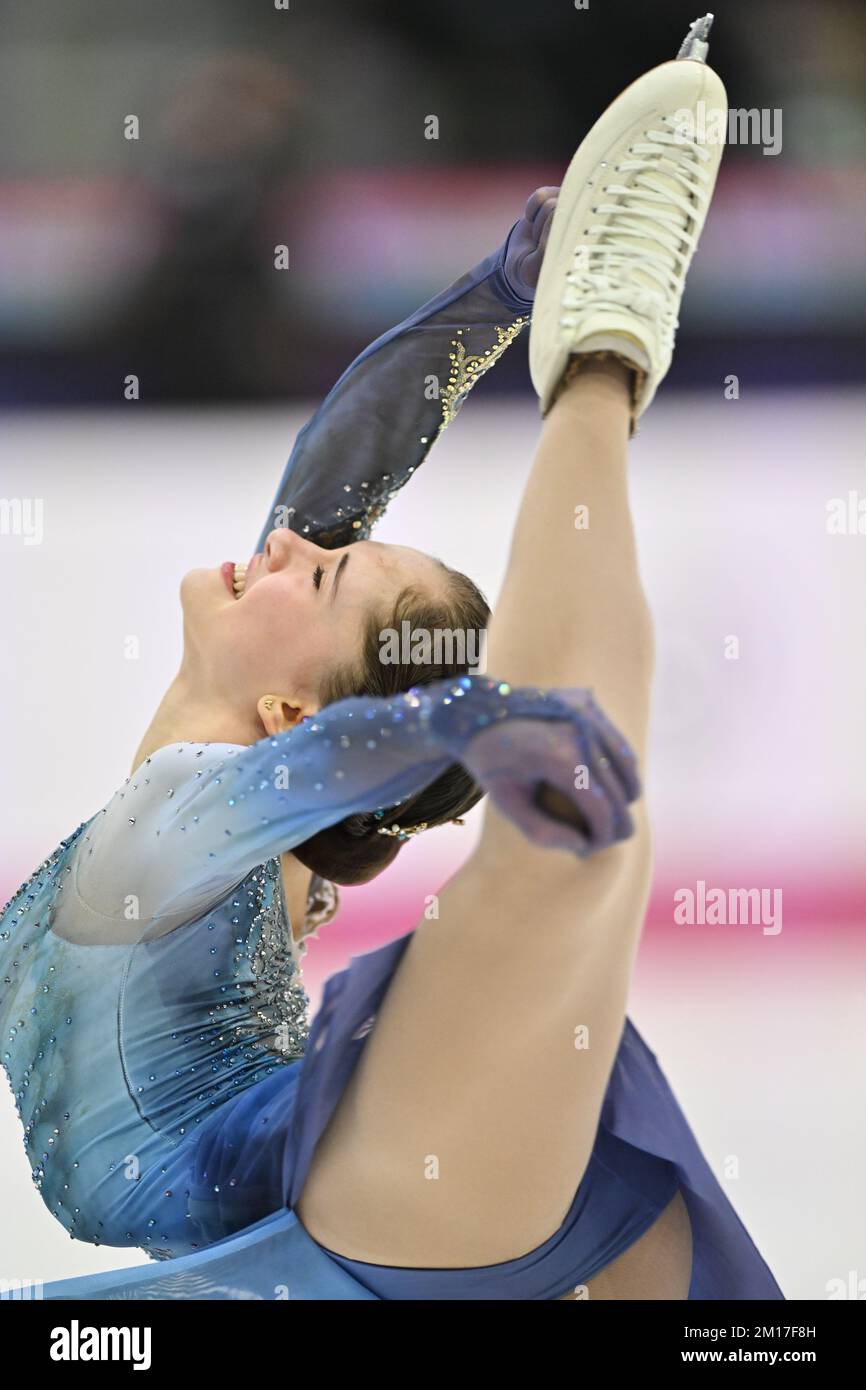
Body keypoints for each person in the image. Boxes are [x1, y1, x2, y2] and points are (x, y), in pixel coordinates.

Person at [1, 20, 784, 1301]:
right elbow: (345, 464)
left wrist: (462, 723)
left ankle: (605, 361)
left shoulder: (191, 809)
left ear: (286, 699)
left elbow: (323, 753)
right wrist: (492, 293)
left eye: (326, 574)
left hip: (341, 1193)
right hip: (265, 1249)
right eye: (321, 557)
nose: (297, 543)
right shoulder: (239, 767)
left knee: (565, 858)